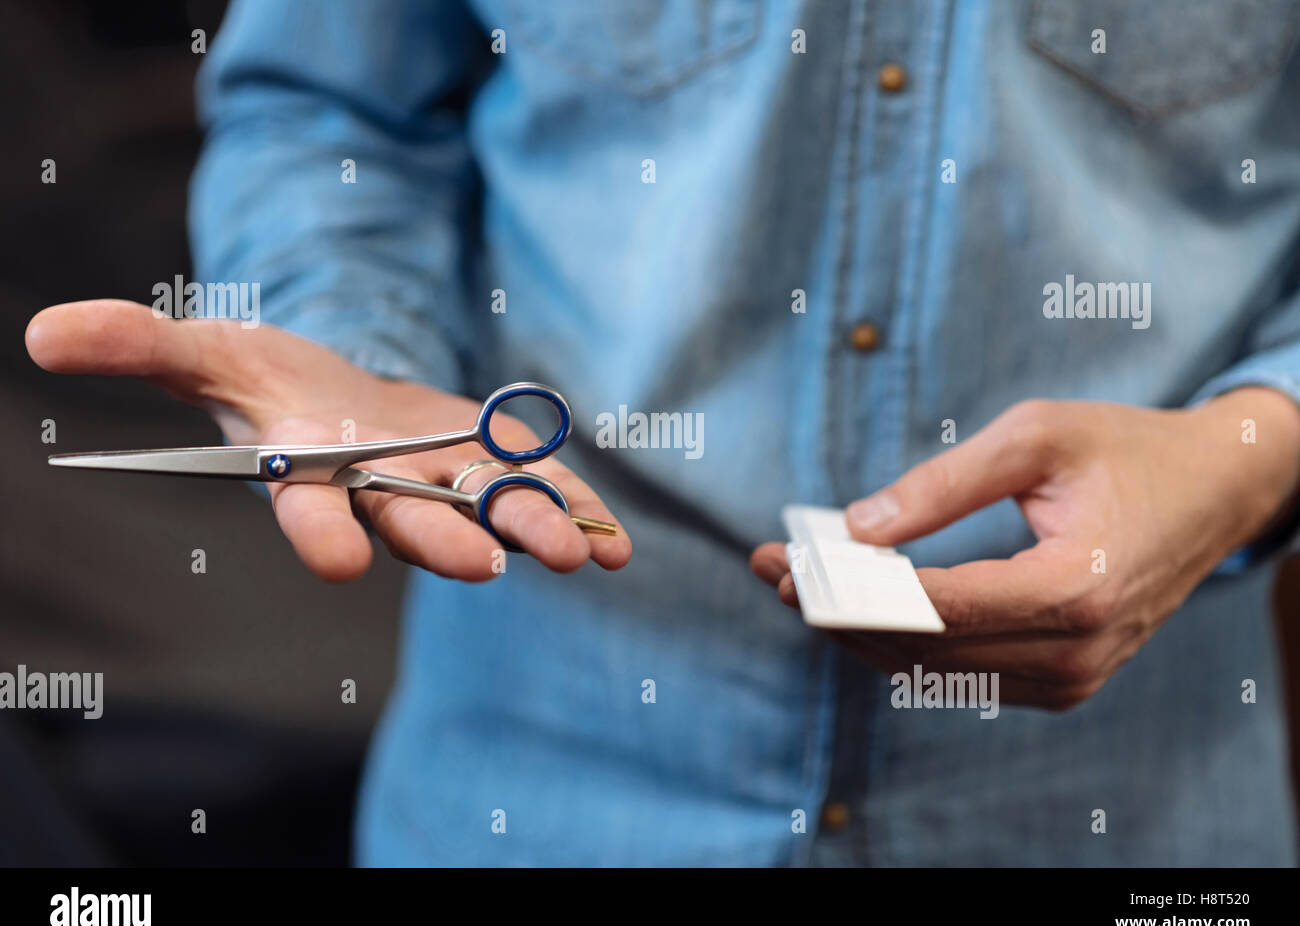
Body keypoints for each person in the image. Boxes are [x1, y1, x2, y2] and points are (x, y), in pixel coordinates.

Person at [25, 1, 1300, 865]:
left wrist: (1255, 451)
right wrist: (355, 348)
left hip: (1139, 826)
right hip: (523, 809)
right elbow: (326, 112)